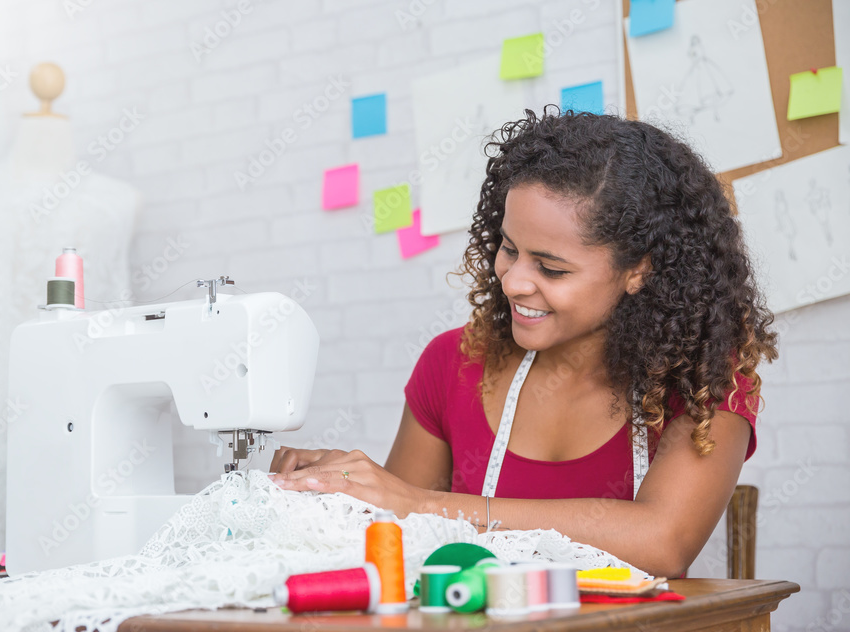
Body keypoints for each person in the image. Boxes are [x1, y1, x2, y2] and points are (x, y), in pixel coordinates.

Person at [269, 107, 778, 579]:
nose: (513, 281)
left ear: (639, 270)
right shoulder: (452, 364)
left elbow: (664, 539)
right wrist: (342, 491)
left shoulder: (704, 375)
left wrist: (422, 504)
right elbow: (401, 540)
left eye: (551, 267)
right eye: (508, 248)